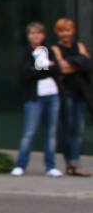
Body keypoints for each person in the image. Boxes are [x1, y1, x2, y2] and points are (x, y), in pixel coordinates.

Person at [11, 22, 63, 177]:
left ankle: (50, 166)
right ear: (28, 36)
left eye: (39, 33)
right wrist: (46, 67)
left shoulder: (49, 50)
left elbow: (57, 69)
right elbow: (27, 73)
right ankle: (21, 165)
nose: (36, 36)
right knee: (30, 132)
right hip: (35, 97)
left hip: (52, 95)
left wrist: (40, 69)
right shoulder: (26, 52)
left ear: (43, 35)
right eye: (33, 33)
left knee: (50, 132)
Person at [51, 17, 92, 176]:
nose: (65, 33)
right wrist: (78, 62)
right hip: (66, 91)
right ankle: (70, 162)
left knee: (78, 129)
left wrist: (71, 63)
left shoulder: (79, 45)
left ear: (72, 31)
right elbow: (61, 68)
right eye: (62, 30)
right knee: (67, 128)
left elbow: (87, 64)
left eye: (67, 30)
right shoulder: (55, 48)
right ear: (57, 32)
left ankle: (74, 162)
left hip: (81, 92)